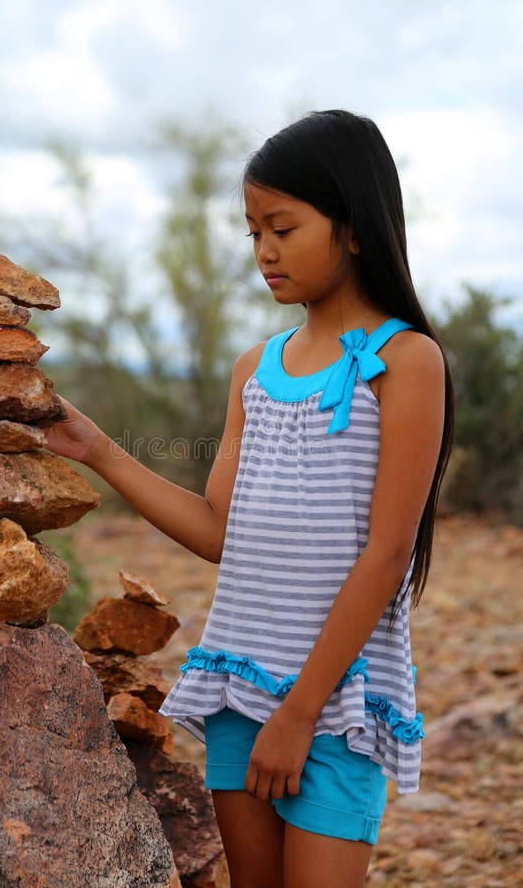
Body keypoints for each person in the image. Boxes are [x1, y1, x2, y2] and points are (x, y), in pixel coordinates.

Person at [43, 109, 454, 888]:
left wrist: (300, 715)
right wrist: (95, 448)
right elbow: (216, 530)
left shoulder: (407, 362)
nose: (263, 250)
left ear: (355, 227)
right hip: (240, 686)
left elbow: (388, 551)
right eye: (251, 231)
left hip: (333, 710)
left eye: (284, 227)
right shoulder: (254, 369)